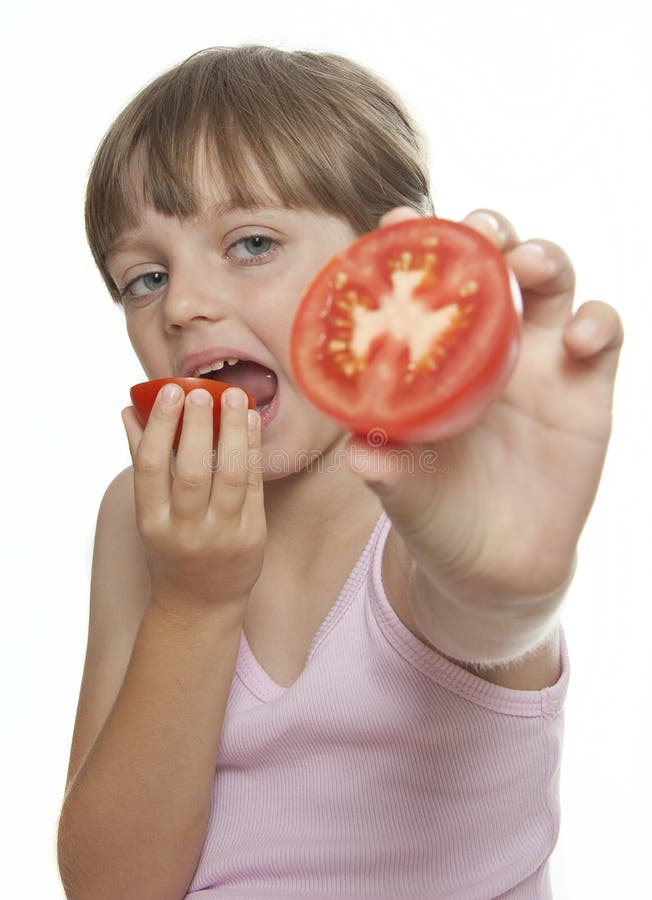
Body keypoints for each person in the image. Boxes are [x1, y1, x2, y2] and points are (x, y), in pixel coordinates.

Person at [57, 45, 623, 900]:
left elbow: (481, 606)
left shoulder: (430, 504)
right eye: (145, 277)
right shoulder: (143, 520)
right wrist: (195, 599)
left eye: (251, 242)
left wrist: (507, 588)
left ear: (387, 263)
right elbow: (111, 886)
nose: (181, 305)